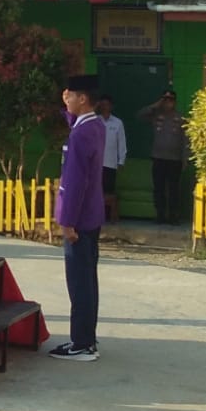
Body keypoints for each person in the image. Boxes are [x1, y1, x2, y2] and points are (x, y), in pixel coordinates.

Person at [50, 74, 106, 361]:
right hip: (92, 216)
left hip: (79, 220)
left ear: (82, 99)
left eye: (70, 96)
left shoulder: (80, 134)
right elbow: (74, 122)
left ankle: (82, 343)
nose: (67, 99)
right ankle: (86, 339)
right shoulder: (94, 125)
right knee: (87, 279)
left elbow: (74, 183)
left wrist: (67, 221)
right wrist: (66, 108)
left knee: (79, 283)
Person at [136, 90, 188, 225]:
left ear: (175, 102)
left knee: (173, 189)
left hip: (175, 159)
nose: (168, 102)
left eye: (170, 100)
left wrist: (185, 159)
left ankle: (173, 215)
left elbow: (185, 140)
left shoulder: (180, 118)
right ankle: (160, 214)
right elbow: (140, 115)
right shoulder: (156, 115)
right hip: (158, 157)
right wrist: (156, 105)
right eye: (165, 100)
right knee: (159, 188)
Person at [97, 95, 127, 222]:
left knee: (108, 191)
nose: (105, 107)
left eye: (107, 104)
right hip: (96, 163)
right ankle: (96, 216)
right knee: (96, 190)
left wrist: (121, 161)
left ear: (111, 106)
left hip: (111, 163)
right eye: (103, 104)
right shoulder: (96, 121)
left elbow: (122, 142)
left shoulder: (117, 123)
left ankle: (108, 216)